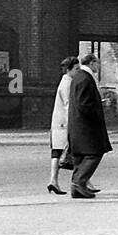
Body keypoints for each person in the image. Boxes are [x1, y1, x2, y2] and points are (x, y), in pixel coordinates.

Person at [67, 53, 112, 198]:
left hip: (78, 125)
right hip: (86, 125)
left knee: (80, 156)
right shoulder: (85, 78)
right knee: (94, 153)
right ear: (92, 63)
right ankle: (79, 182)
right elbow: (83, 104)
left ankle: (77, 187)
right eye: (97, 63)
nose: (98, 66)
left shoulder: (78, 77)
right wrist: (96, 114)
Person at [46, 56, 78, 195]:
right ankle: (81, 182)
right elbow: (68, 105)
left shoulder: (65, 81)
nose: (78, 71)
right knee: (77, 152)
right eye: (76, 69)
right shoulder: (68, 83)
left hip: (58, 124)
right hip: (64, 124)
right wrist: (74, 123)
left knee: (57, 153)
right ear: (69, 69)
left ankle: (53, 181)